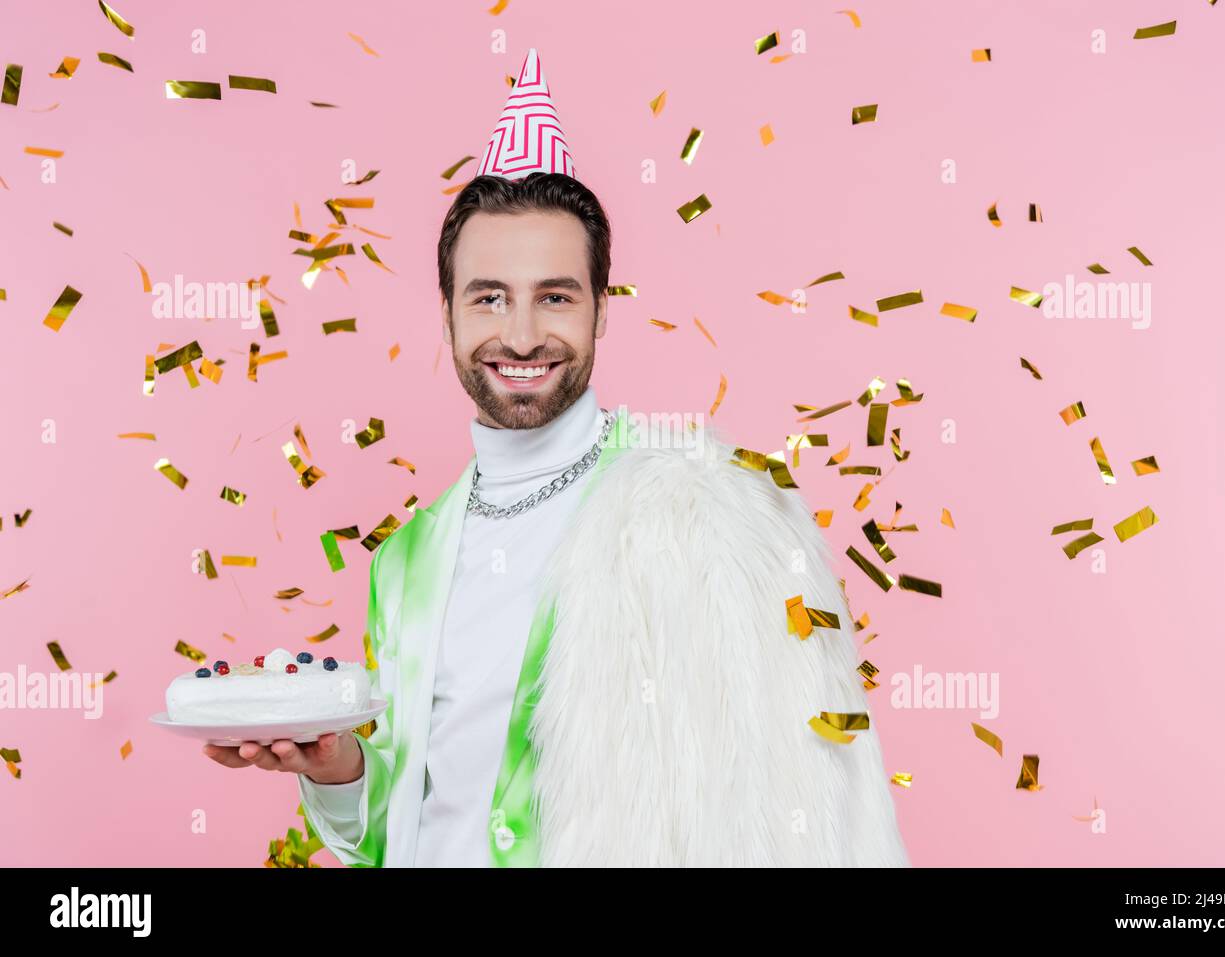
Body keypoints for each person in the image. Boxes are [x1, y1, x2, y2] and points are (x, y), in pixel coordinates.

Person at [203, 48, 908, 868]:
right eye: (491, 295)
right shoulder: (407, 559)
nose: (524, 334)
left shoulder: (705, 512)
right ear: (448, 315)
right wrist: (334, 771)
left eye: (556, 296)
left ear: (602, 310)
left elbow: (796, 809)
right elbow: (395, 831)